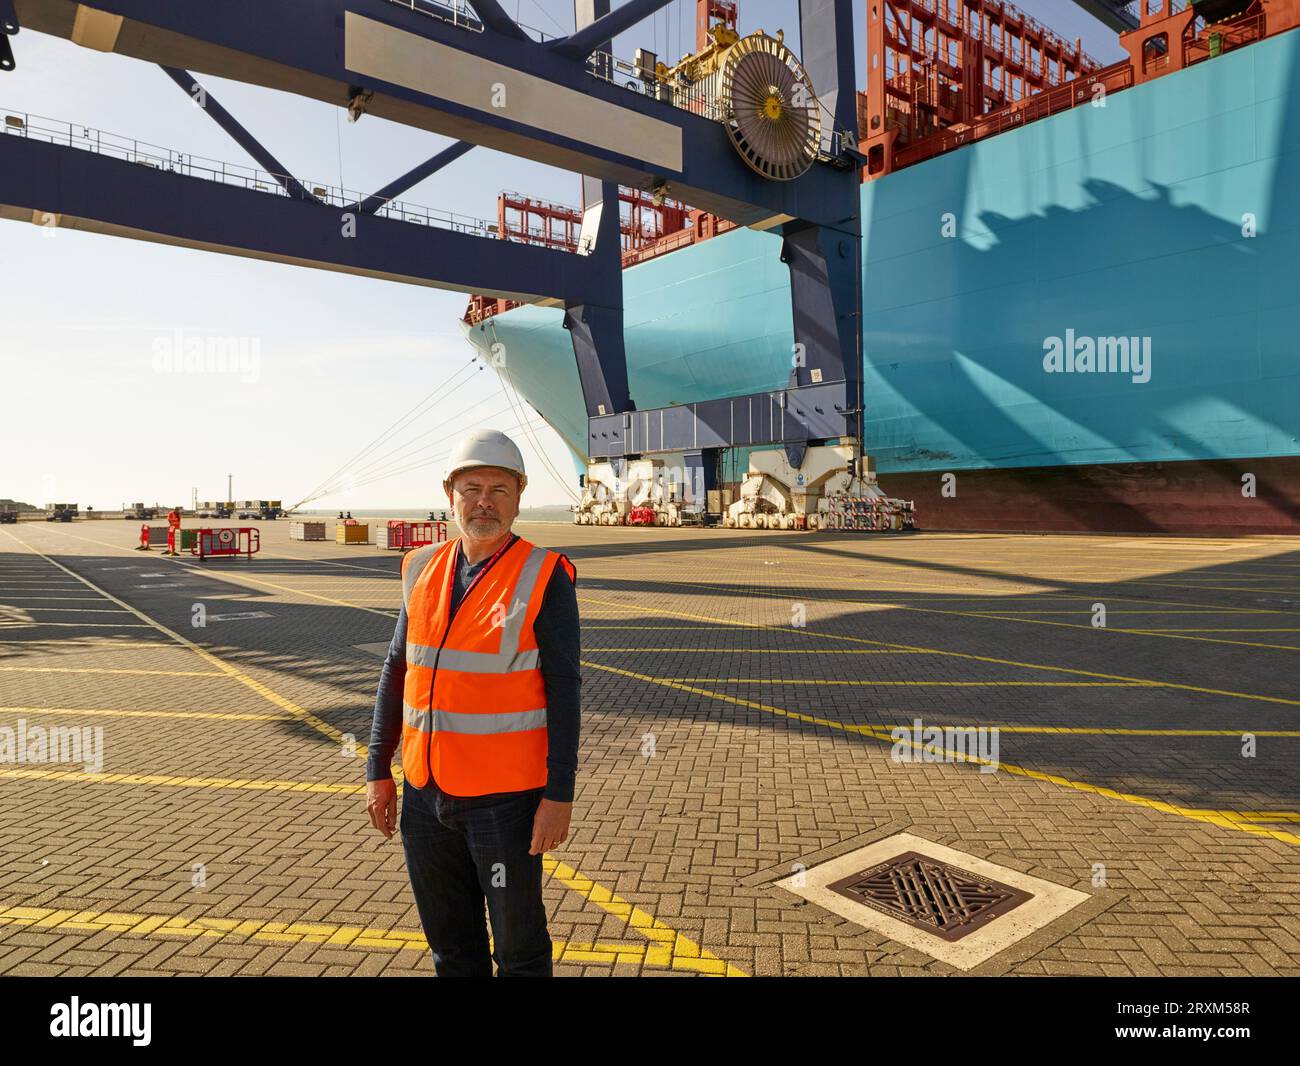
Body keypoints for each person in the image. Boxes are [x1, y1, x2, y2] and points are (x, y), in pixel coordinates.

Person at [365, 429, 580, 976]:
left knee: (519, 949)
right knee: (451, 947)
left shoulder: (544, 574)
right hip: (423, 795)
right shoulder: (419, 567)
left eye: (499, 489)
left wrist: (559, 795)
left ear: (520, 495)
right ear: (450, 494)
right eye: (473, 487)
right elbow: (397, 670)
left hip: (505, 802)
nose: (485, 500)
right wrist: (377, 768)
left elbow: (563, 689)